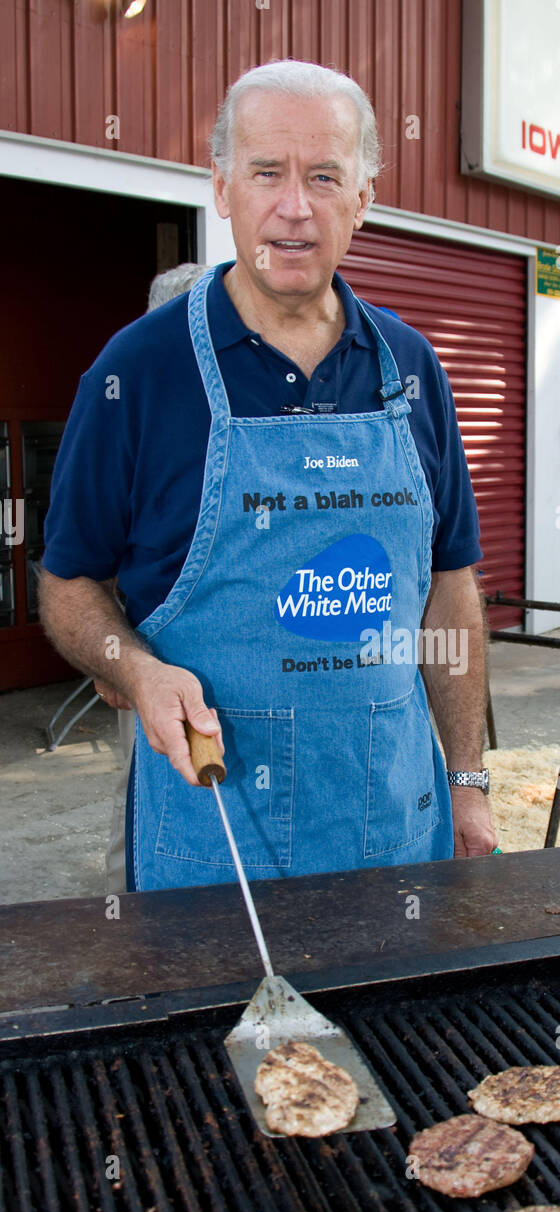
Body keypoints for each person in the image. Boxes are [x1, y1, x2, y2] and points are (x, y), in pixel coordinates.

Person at [39, 59, 496, 892]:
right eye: (266, 174)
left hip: (398, 826)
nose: (295, 207)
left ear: (363, 199)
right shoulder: (138, 371)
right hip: (214, 847)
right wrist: (134, 668)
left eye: (325, 176)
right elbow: (69, 585)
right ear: (222, 188)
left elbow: (451, 587)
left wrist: (467, 782)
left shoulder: (412, 366)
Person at [104, 262, 209, 894]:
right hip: (150, 656)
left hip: (231, 658)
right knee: (142, 793)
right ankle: (134, 952)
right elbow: (90, 561)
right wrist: (114, 658)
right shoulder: (126, 412)